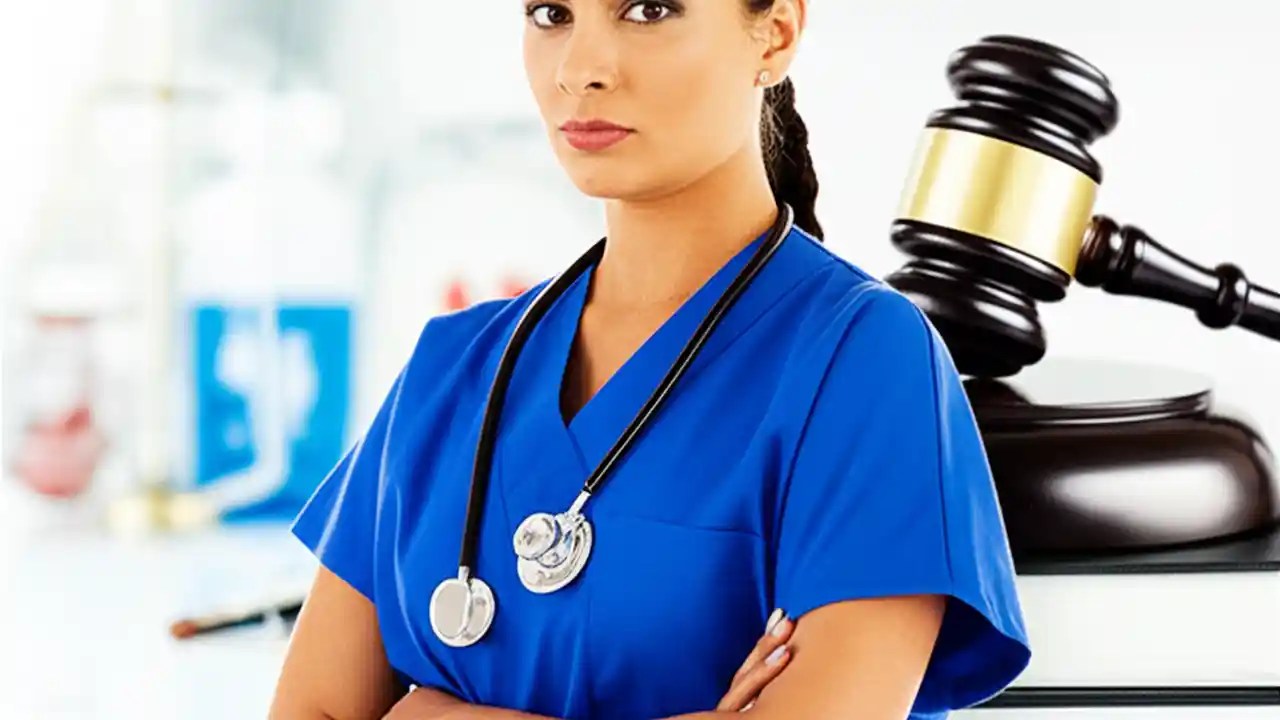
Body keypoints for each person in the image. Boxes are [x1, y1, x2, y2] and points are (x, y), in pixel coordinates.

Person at [269, 0, 1032, 718]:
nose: (581, 66)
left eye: (649, 9)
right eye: (551, 14)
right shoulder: (454, 369)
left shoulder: (861, 359)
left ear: (774, 34)